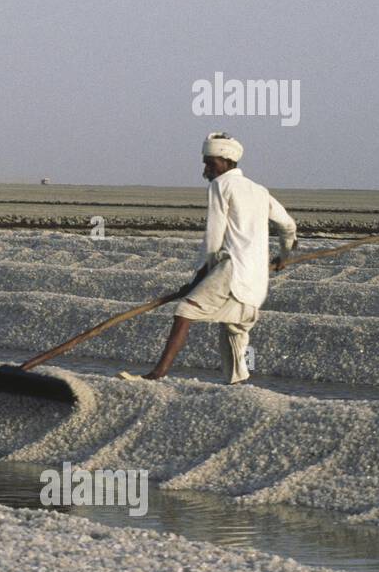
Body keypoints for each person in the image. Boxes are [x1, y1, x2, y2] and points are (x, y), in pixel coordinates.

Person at [125, 132, 296, 384]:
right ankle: (238, 384)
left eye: (210, 162)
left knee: (185, 311)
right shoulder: (259, 190)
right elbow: (288, 225)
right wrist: (284, 254)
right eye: (205, 162)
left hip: (232, 269)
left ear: (227, 161)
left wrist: (198, 276)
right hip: (256, 278)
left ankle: (158, 373)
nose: (206, 168)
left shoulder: (220, 185)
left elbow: (214, 237)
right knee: (235, 330)